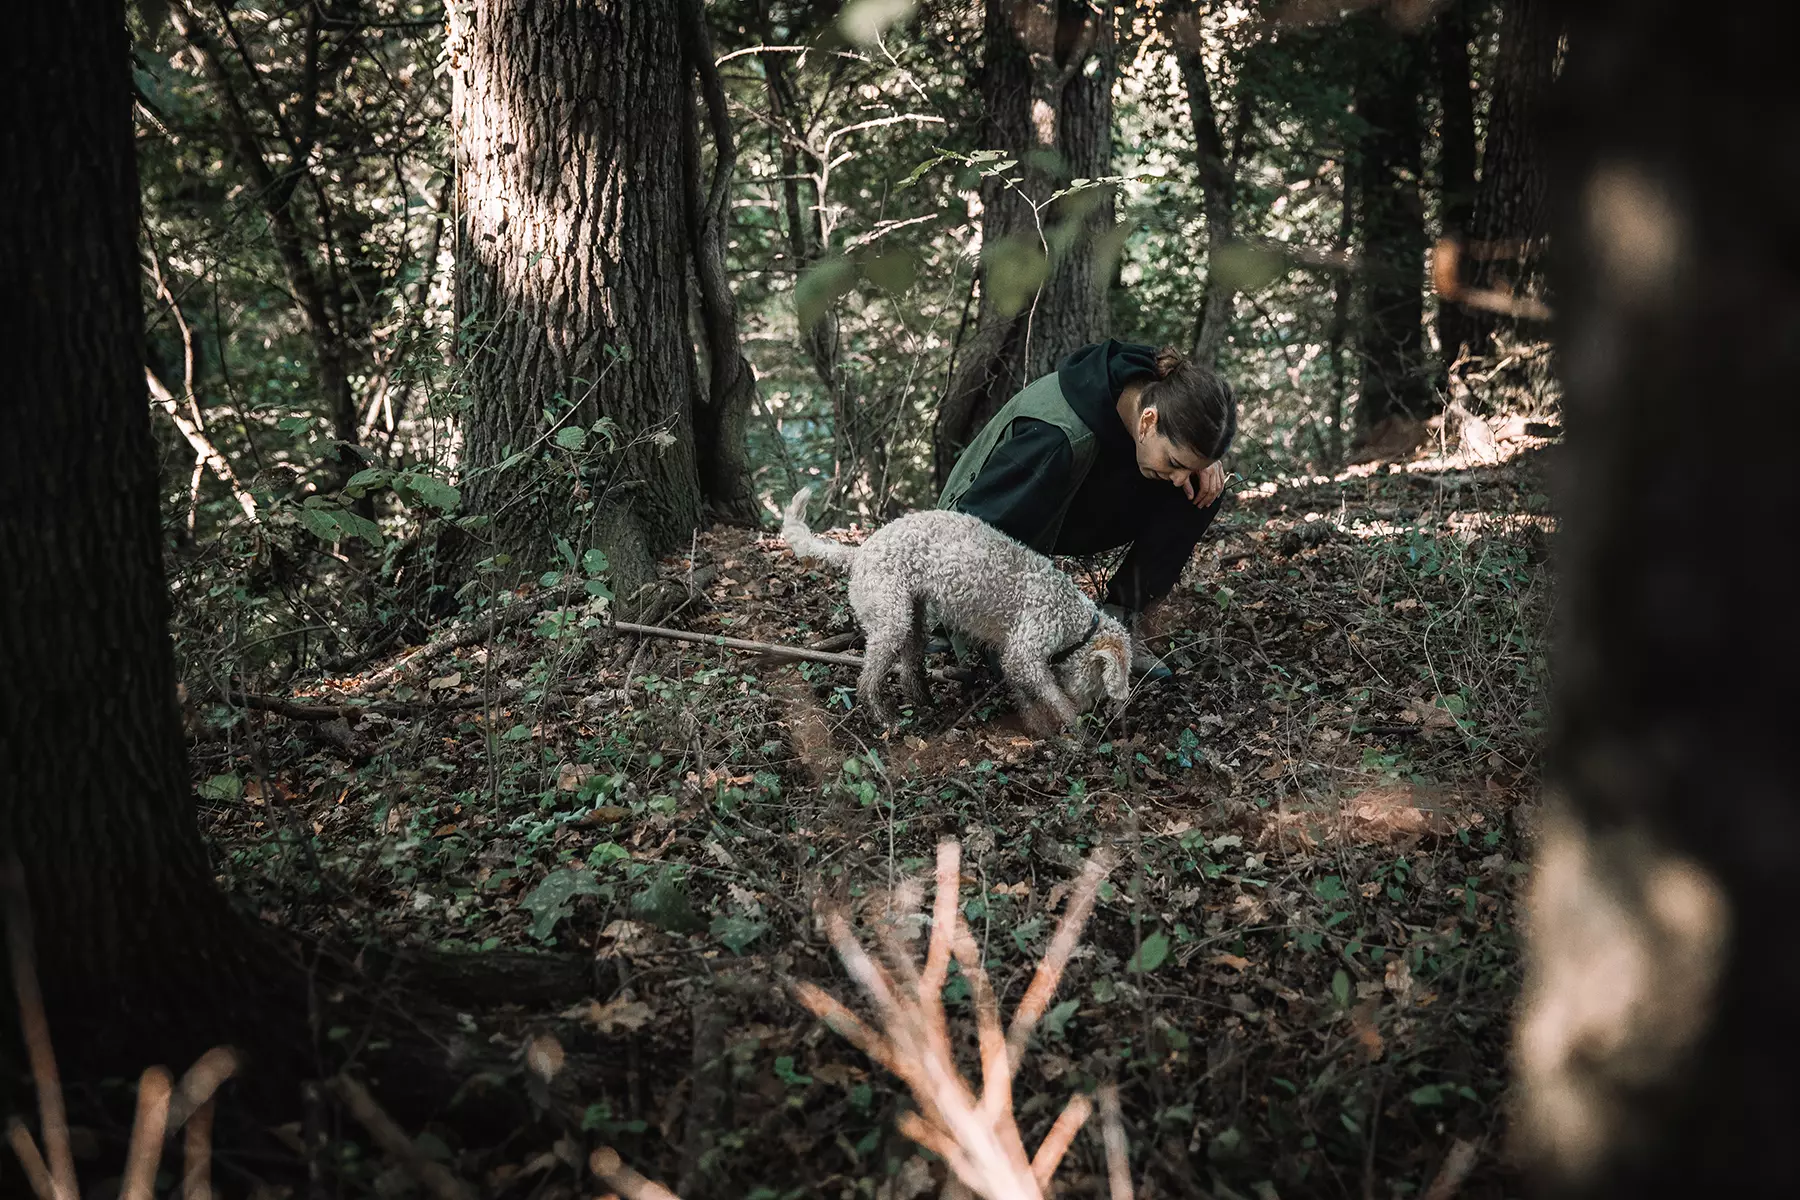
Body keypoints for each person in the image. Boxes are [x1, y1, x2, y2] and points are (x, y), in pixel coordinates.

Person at [936, 339, 1238, 680]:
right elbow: (973, 533)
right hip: (981, 525)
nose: (1178, 476)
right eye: (1174, 461)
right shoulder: (1053, 440)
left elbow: (1182, 448)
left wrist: (1204, 460)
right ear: (1148, 421)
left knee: (1201, 488)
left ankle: (1118, 623)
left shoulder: (1158, 391)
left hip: (1063, 505)